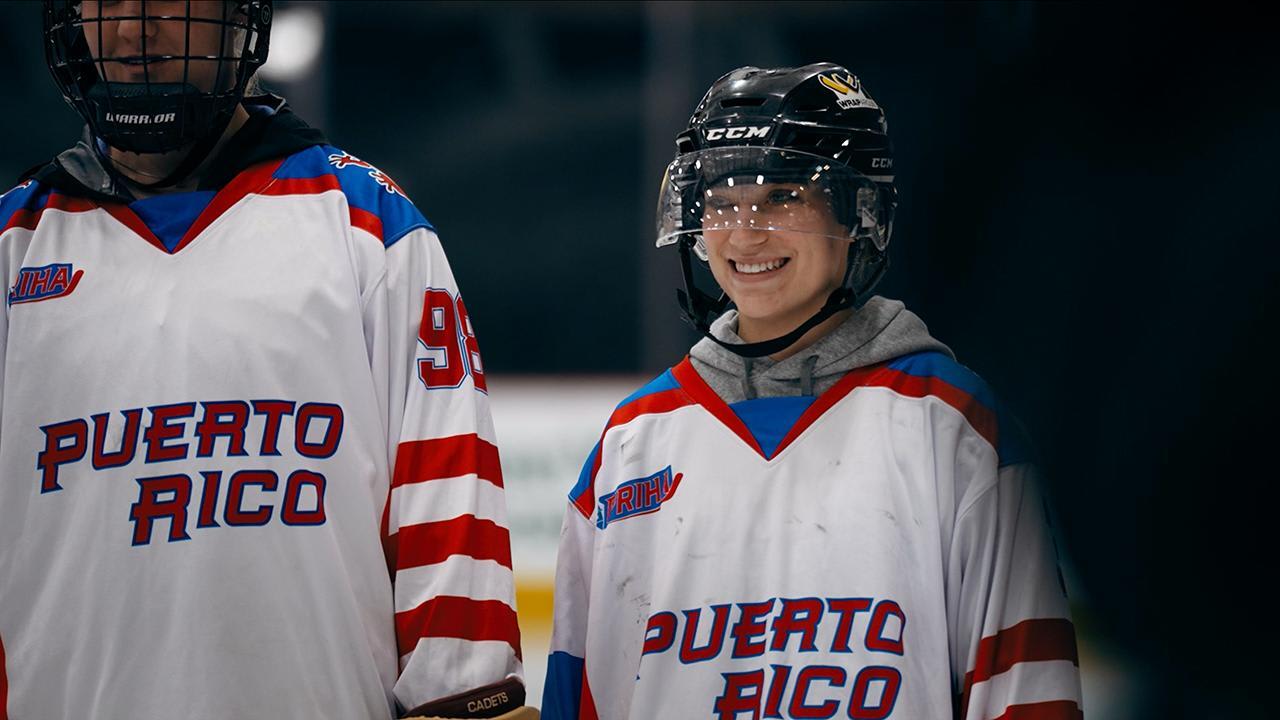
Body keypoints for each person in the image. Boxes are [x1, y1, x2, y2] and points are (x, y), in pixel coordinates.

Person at [0, 2, 535, 718]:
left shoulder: (367, 226)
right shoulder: (13, 250)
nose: (132, 27)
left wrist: (466, 698)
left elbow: (447, 497)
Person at [543, 64, 1083, 719]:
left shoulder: (959, 432)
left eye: (783, 197)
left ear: (859, 212)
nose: (745, 233)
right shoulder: (632, 443)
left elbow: (1029, 698)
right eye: (722, 200)